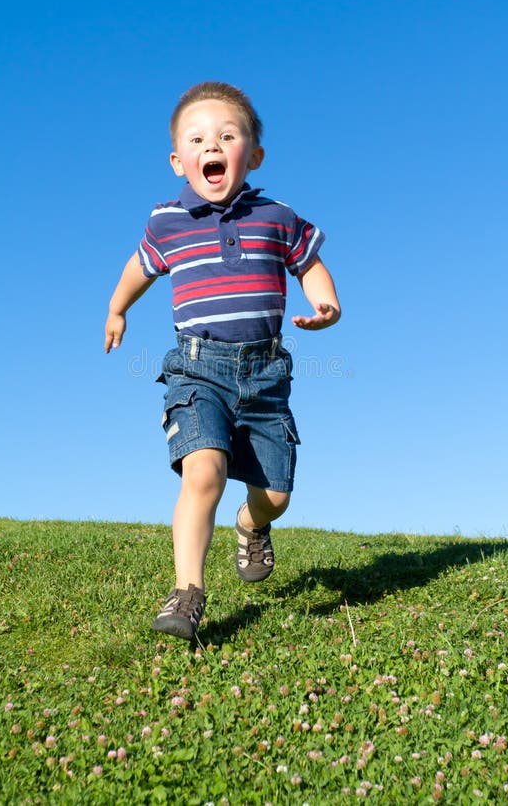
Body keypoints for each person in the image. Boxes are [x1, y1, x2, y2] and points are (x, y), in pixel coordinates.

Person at [104, 81, 340, 639]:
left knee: (276, 495)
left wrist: (327, 303)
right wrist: (117, 310)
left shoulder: (276, 215)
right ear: (178, 160)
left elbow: (309, 263)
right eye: (198, 138)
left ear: (252, 155)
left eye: (227, 136)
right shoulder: (167, 221)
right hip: (196, 368)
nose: (212, 145)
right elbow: (138, 269)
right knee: (203, 471)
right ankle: (187, 591)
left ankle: (251, 524)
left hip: (264, 374)